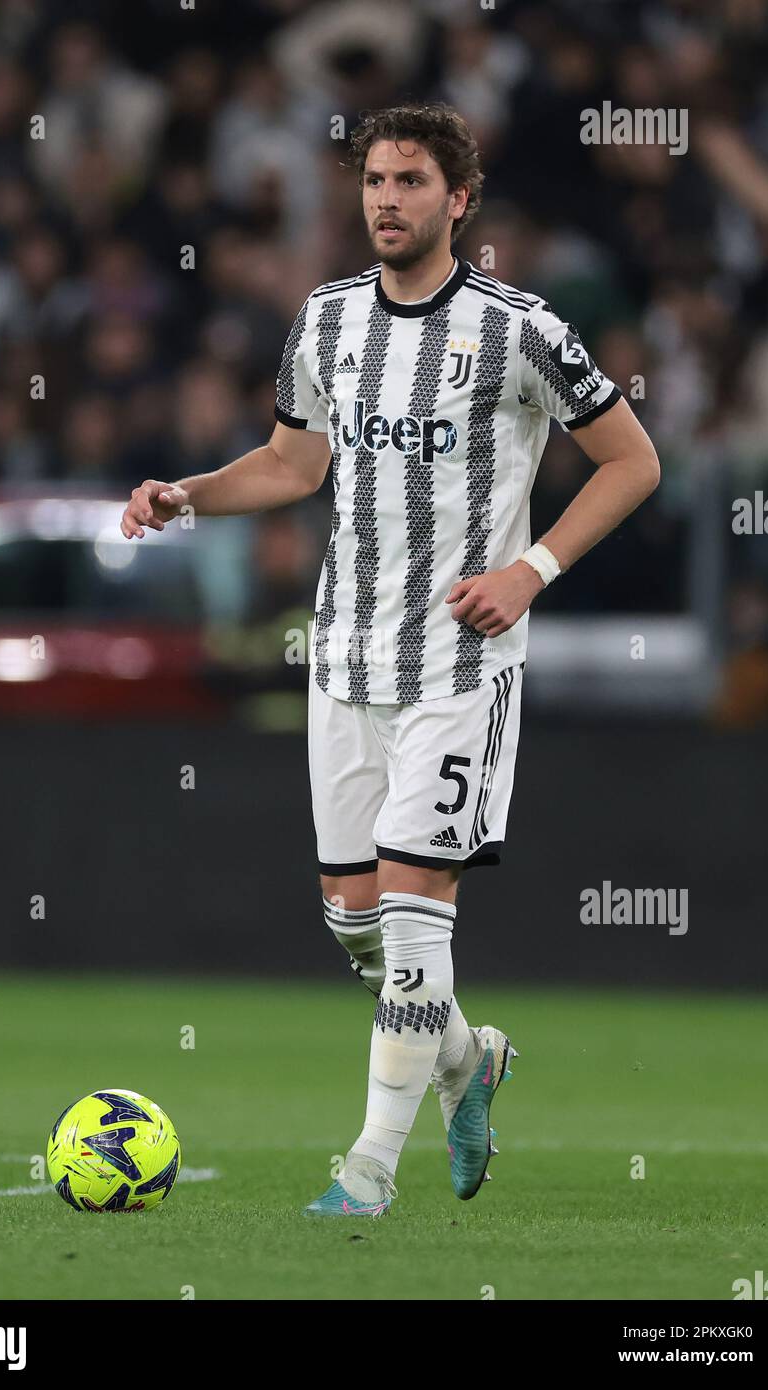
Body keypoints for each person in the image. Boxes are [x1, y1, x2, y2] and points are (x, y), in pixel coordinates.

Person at [120, 102, 660, 1218]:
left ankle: (365, 1169)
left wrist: (531, 572)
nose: (386, 199)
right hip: (344, 657)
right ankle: (471, 1060)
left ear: (458, 200)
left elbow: (631, 460)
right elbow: (289, 462)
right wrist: (188, 496)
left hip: (462, 665)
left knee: (417, 917)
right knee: (355, 926)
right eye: (373, 179)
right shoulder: (324, 320)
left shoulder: (519, 328)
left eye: (410, 180)